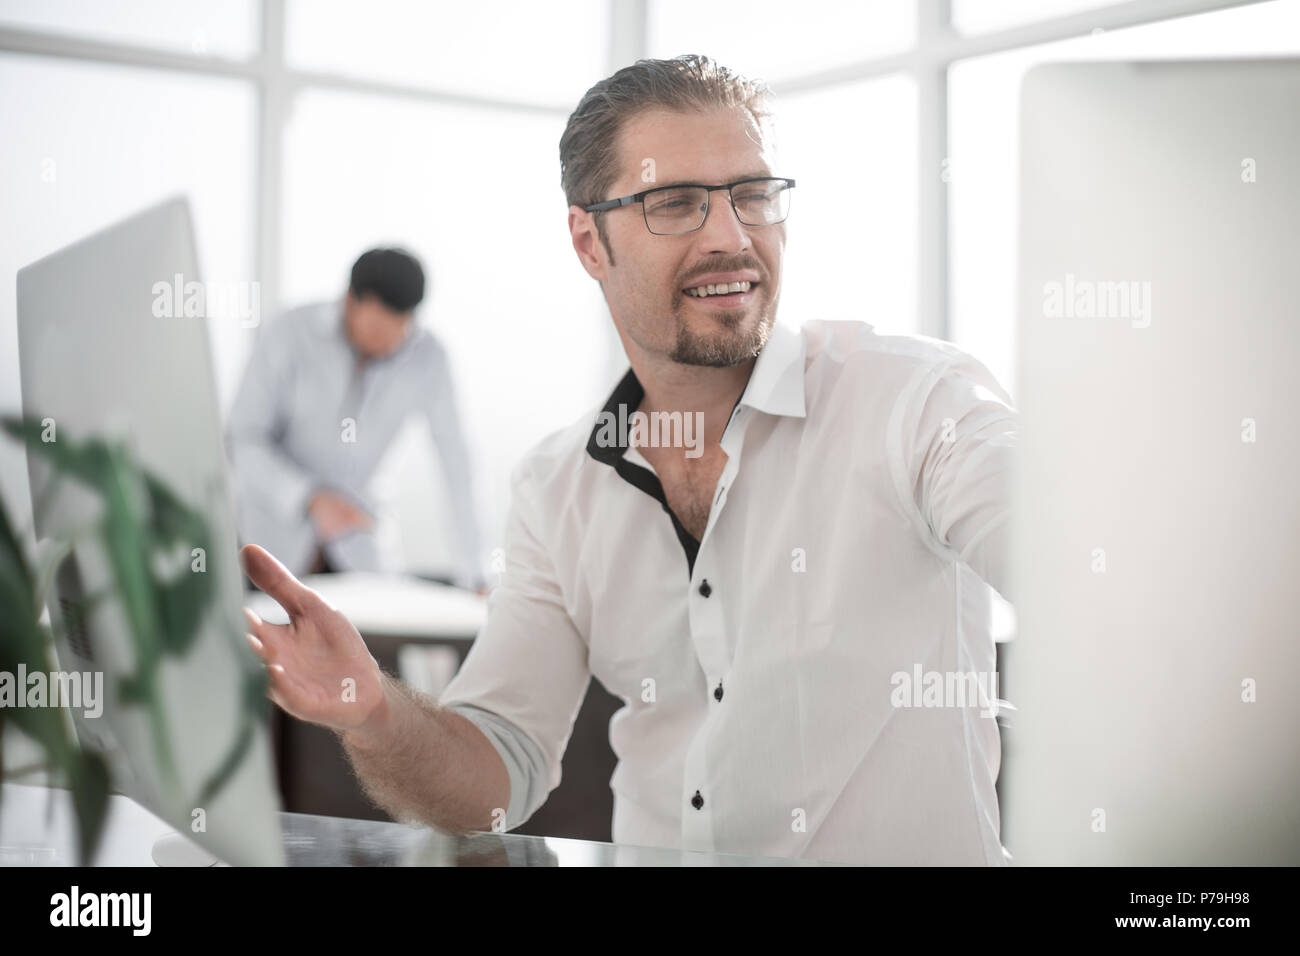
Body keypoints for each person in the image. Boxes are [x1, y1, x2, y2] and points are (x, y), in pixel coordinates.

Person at [240, 55, 1017, 865]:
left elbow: (1070, 556)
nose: (731, 237)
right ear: (590, 241)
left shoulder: (918, 405)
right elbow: (495, 769)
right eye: (675, 203)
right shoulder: (558, 489)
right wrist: (372, 713)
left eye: (751, 195)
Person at [228, 248, 484, 589]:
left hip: (360, 553)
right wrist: (308, 498)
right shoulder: (289, 333)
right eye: (377, 330)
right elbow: (242, 438)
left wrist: (476, 574)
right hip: (268, 544)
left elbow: (457, 463)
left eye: (399, 332)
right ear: (350, 302)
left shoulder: (428, 358)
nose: (387, 346)